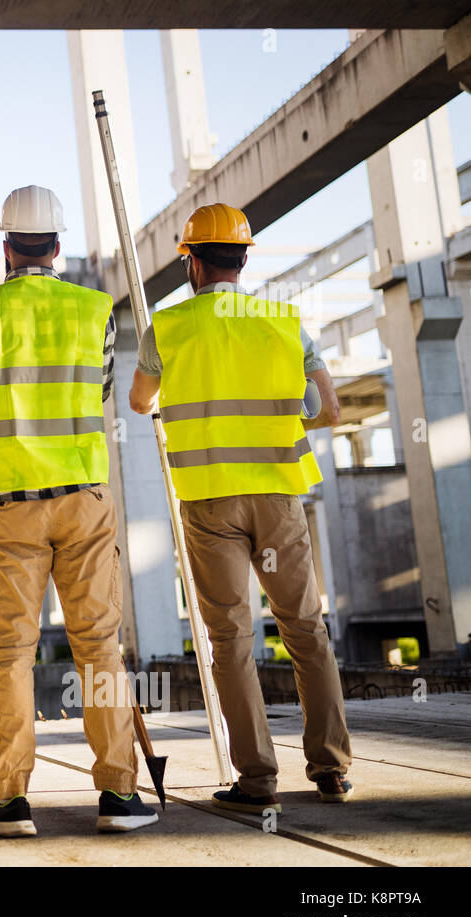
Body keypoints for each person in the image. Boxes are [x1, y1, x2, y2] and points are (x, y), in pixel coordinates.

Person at [128, 202, 353, 813]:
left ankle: (257, 780)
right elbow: (329, 411)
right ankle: (330, 769)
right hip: (278, 498)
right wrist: (283, 419)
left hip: (208, 503)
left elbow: (139, 402)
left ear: (191, 262)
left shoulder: (167, 328)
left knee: (229, 638)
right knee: (306, 629)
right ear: (245, 258)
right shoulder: (285, 323)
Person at [0, 186, 158, 835]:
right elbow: (97, 391)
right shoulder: (94, 309)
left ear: (6, 246)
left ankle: (10, 800)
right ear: (58, 246)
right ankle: (118, 796)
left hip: (11, 501)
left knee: (11, 652)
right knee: (99, 646)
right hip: (83, 497)